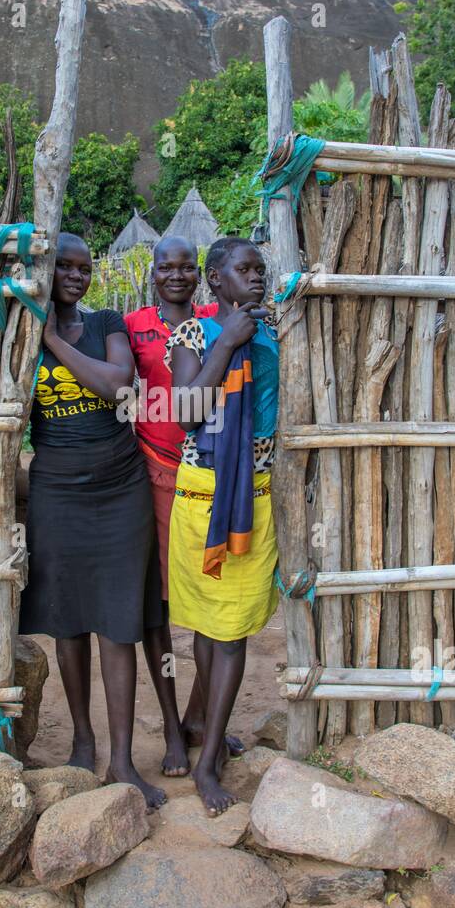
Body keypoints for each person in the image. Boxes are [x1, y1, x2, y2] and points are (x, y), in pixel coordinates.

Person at [19, 232, 166, 808]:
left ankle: (123, 761)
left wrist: (54, 338)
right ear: (45, 271)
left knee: (118, 619)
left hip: (119, 486)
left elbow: (117, 387)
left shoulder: (107, 323)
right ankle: (83, 743)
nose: (77, 276)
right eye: (65, 267)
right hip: (56, 488)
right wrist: (41, 336)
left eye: (83, 268)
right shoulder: (18, 338)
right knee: (68, 621)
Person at [166, 237, 280, 815]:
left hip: (253, 498)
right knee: (212, 629)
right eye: (244, 269)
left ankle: (205, 740)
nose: (256, 278)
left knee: (230, 628)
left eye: (260, 269)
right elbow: (185, 411)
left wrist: (249, 337)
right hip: (201, 494)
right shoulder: (192, 335)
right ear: (216, 281)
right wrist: (229, 341)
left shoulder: (279, 332)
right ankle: (207, 755)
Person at [123, 235, 223, 777]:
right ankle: (169, 723)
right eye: (168, 267)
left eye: (188, 267)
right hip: (154, 469)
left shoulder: (215, 318)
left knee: (216, 595)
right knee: (158, 606)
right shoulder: (132, 325)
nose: (177, 275)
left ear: (200, 274)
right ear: (154, 272)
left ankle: (201, 714)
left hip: (210, 473)